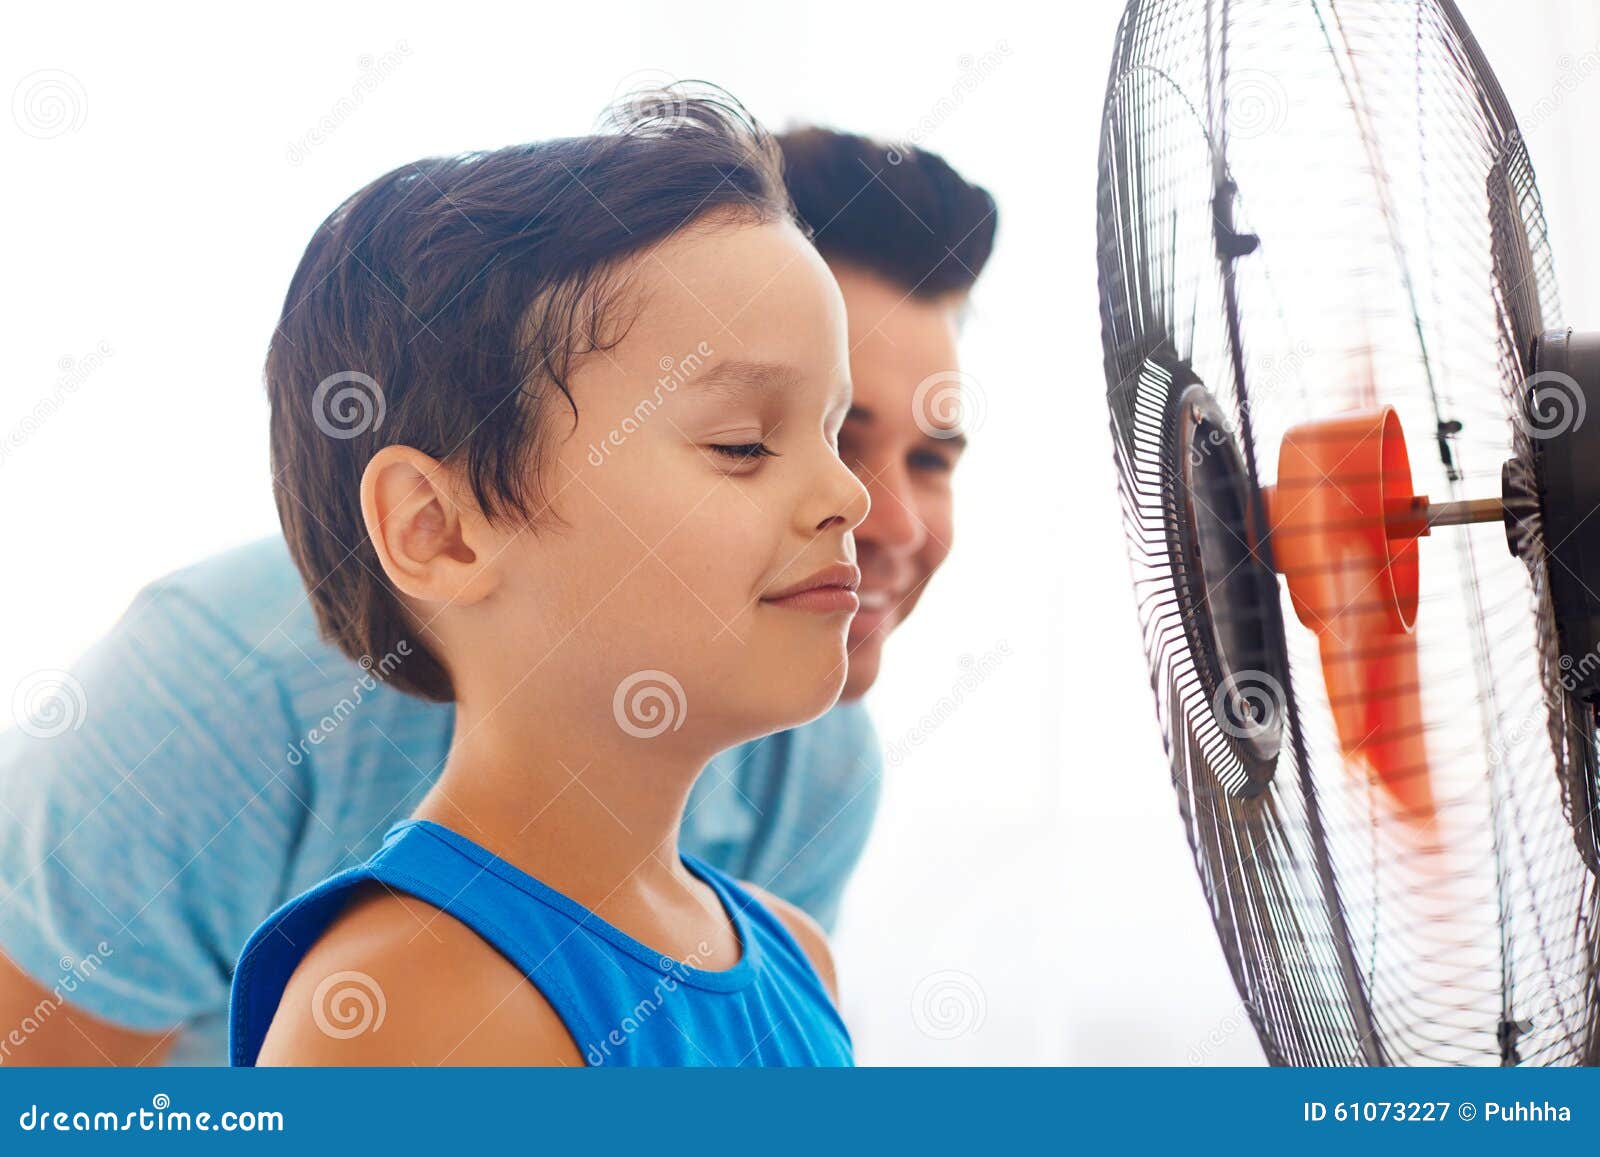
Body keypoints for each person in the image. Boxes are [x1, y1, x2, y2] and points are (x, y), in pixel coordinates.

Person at [0, 116, 996, 1065]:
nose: (863, 503)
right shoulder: (398, 1004)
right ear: (435, 528)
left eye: (834, 434)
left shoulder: (792, 939)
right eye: (741, 443)